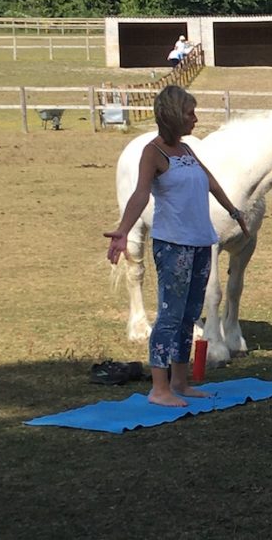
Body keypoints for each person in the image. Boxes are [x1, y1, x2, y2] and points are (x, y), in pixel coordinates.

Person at [104, 86, 250, 406]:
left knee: (189, 315)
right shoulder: (153, 153)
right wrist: (123, 230)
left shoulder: (186, 150)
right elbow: (140, 194)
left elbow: (210, 181)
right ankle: (160, 388)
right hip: (173, 245)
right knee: (170, 316)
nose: (195, 119)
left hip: (200, 242)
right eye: (189, 113)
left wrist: (234, 211)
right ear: (172, 115)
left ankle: (180, 382)